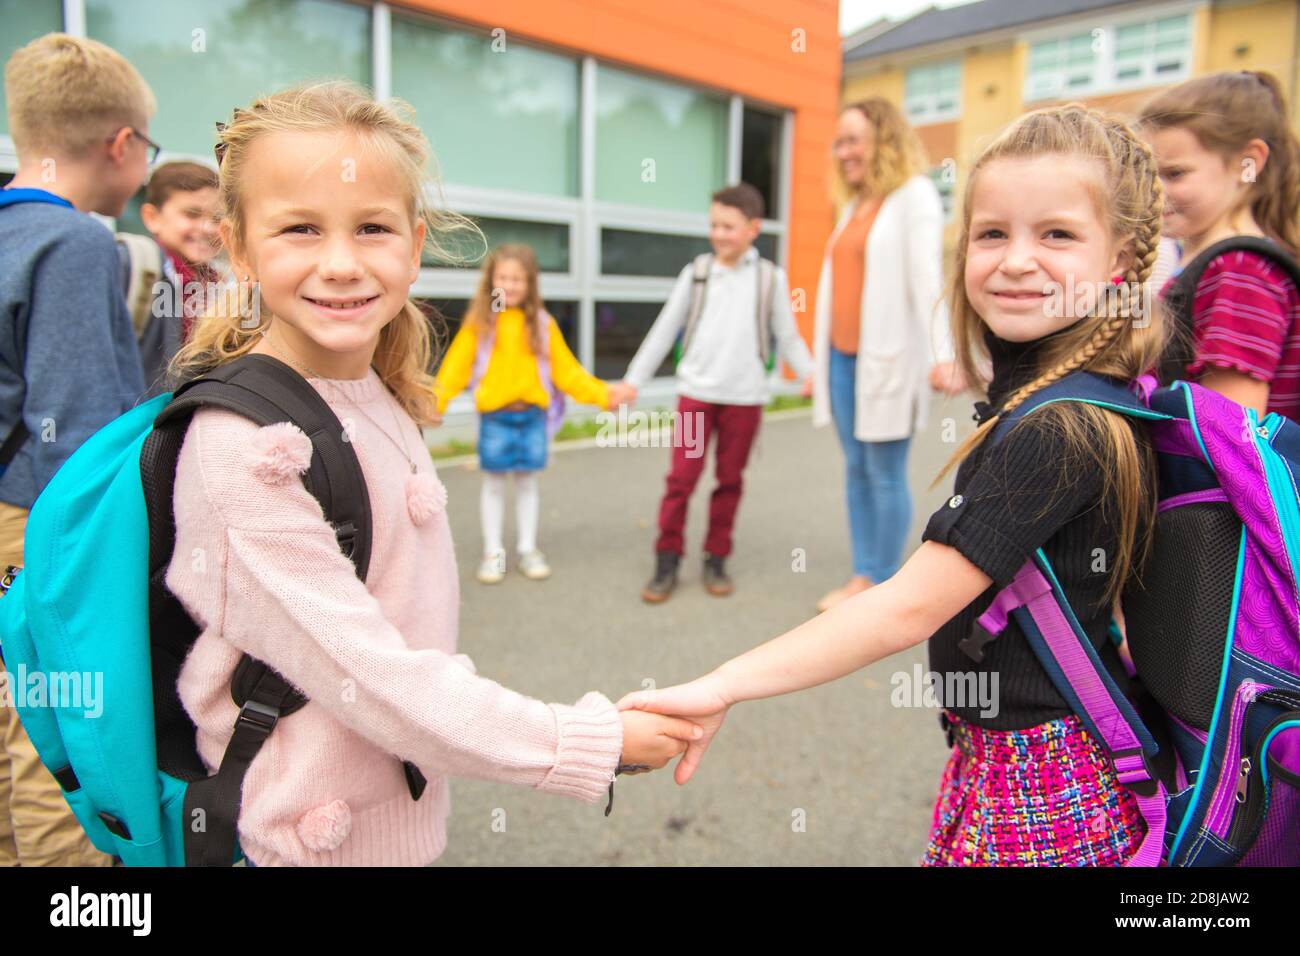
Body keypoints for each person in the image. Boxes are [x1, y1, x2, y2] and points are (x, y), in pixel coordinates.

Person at [621, 104, 1168, 867]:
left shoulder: (1059, 431)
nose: (1015, 259)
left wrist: (722, 684)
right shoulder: (1070, 396)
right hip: (1009, 751)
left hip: (1041, 779)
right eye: (991, 233)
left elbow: (907, 608)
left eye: (1057, 234)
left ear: (1119, 260)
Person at [166, 82, 698, 866]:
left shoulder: (375, 388)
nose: (342, 263)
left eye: (372, 228)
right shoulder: (244, 449)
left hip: (397, 818)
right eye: (301, 228)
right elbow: (373, 676)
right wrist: (589, 739)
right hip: (300, 844)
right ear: (240, 248)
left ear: (415, 247)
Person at [0, 32, 151, 867]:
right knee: (53, 735)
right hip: (37, 523)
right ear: (121, 144)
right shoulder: (79, 242)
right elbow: (78, 428)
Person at [618, 183, 813, 602]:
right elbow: (664, 329)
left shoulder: (770, 279)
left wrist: (811, 373)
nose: (719, 234)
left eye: (729, 226)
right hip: (695, 396)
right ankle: (666, 560)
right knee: (680, 480)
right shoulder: (698, 273)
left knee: (729, 481)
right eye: (714, 225)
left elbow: (789, 336)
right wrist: (634, 378)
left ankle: (716, 557)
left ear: (753, 228)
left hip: (745, 400)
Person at [812, 97, 964, 614]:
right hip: (841, 360)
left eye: (853, 139)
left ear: (884, 138)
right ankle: (865, 573)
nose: (843, 151)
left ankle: (879, 579)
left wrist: (943, 352)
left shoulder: (914, 196)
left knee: (883, 469)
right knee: (855, 468)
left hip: (889, 359)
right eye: (839, 142)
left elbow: (927, 279)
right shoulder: (855, 204)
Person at [434, 243, 632, 583]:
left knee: (527, 485)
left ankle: (527, 549)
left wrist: (604, 395)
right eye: (503, 278)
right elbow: (454, 370)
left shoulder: (542, 324)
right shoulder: (479, 324)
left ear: (530, 284)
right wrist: (434, 404)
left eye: (518, 279)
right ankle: (493, 553)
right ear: (491, 281)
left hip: (533, 418)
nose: (509, 286)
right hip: (495, 418)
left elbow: (568, 373)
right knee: (494, 485)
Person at [1142, 71, 1300, 419]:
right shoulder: (1212, 263)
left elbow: (1232, 431)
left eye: (1174, 174)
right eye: (1148, 176)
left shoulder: (1240, 270)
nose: (1154, 192)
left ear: (1249, 163)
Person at [133, 160, 221, 395]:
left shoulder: (219, 285)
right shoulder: (139, 271)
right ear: (152, 217)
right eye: (192, 214)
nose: (208, 228)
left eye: (216, 218)